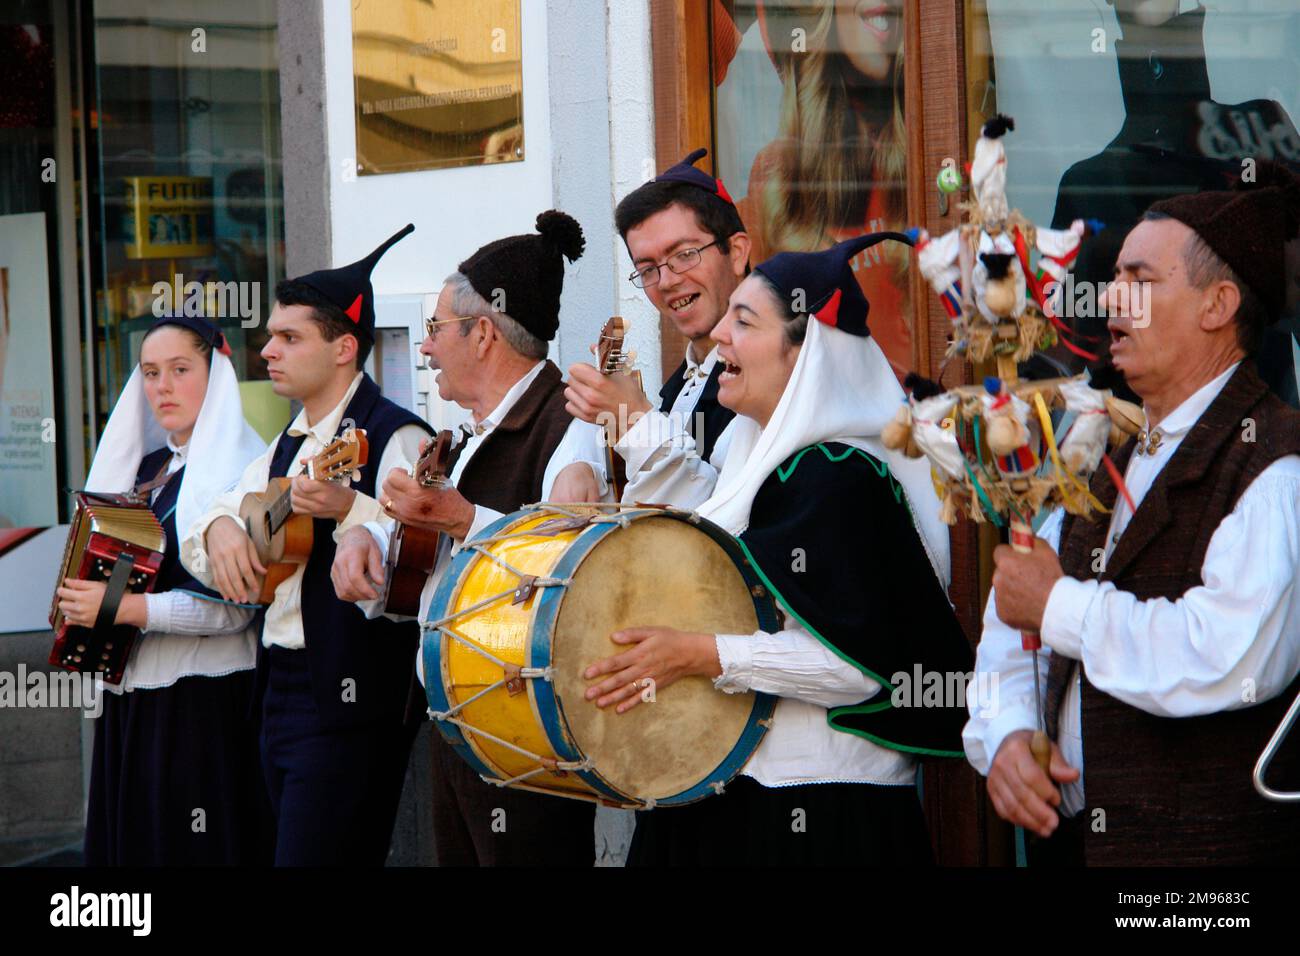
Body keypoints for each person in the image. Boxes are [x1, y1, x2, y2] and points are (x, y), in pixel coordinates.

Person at [581, 232, 974, 865]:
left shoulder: (843, 477)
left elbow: (856, 668)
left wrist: (698, 654)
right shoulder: (754, 456)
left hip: (822, 811)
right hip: (738, 792)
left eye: (745, 321)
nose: (721, 339)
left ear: (805, 355)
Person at [964, 163, 1300, 865]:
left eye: (1140, 281)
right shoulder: (1097, 446)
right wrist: (1006, 739)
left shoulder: (1276, 463)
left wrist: (1057, 603)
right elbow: (1012, 623)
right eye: (1114, 277)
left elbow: (1225, 657)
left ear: (1218, 305)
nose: (1110, 297)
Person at [331, 210, 610, 866]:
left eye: (435, 330)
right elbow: (422, 560)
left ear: (482, 333)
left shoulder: (573, 425)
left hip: (527, 729)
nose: (424, 347)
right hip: (454, 720)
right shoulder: (457, 439)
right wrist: (363, 540)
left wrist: (460, 517)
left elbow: (571, 572)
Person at [180, 225, 434, 866]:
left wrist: (354, 507)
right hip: (275, 686)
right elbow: (202, 521)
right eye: (270, 335)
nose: (268, 351)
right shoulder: (290, 441)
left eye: (290, 338)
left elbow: (412, 562)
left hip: (348, 693)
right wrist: (221, 525)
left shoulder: (393, 436)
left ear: (345, 347)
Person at [57, 314, 270, 865]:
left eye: (180, 369)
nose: (163, 387)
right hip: (132, 697)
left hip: (204, 703)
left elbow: (238, 610)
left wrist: (126, 608)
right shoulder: (147, 469)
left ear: (216, 373)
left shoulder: (244, 471)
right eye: (151, 373)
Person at [563, 149, 748, 494]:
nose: (666, 281)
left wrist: (634, 420)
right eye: (648, 269)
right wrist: (580, 464)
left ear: (736, 253)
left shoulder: (772, 380)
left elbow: (723, 526)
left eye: (684, 254)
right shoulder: (679, 388)